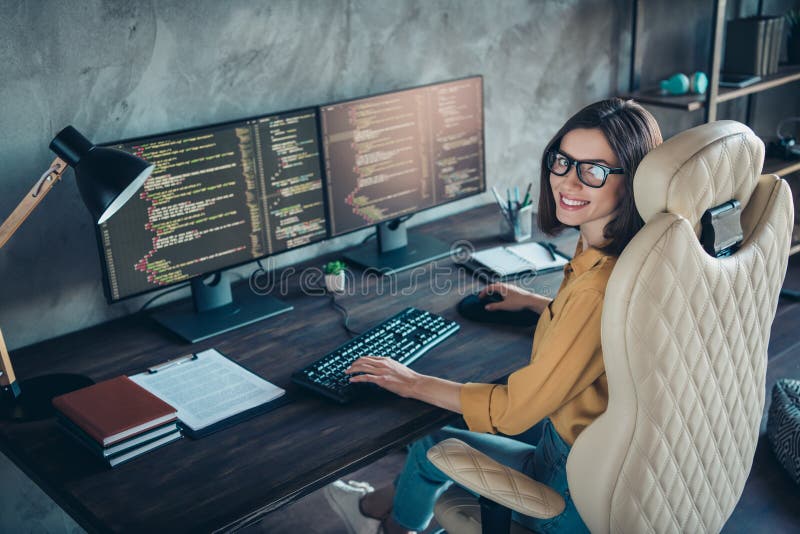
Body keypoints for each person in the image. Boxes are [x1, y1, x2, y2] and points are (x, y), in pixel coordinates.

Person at [326, 97, 663, 534]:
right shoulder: (631, 249)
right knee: (449, 423)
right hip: (603, 451)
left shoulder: (595, 289)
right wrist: (537, 304)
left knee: (432, 440)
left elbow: (511, 412)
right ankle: (376, 508)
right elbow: (607, 329)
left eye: (594, 171)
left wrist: (410, 381)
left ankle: (386, 526)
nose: (567, 182)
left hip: (571, 488)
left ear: (632, 180)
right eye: (562, 162)